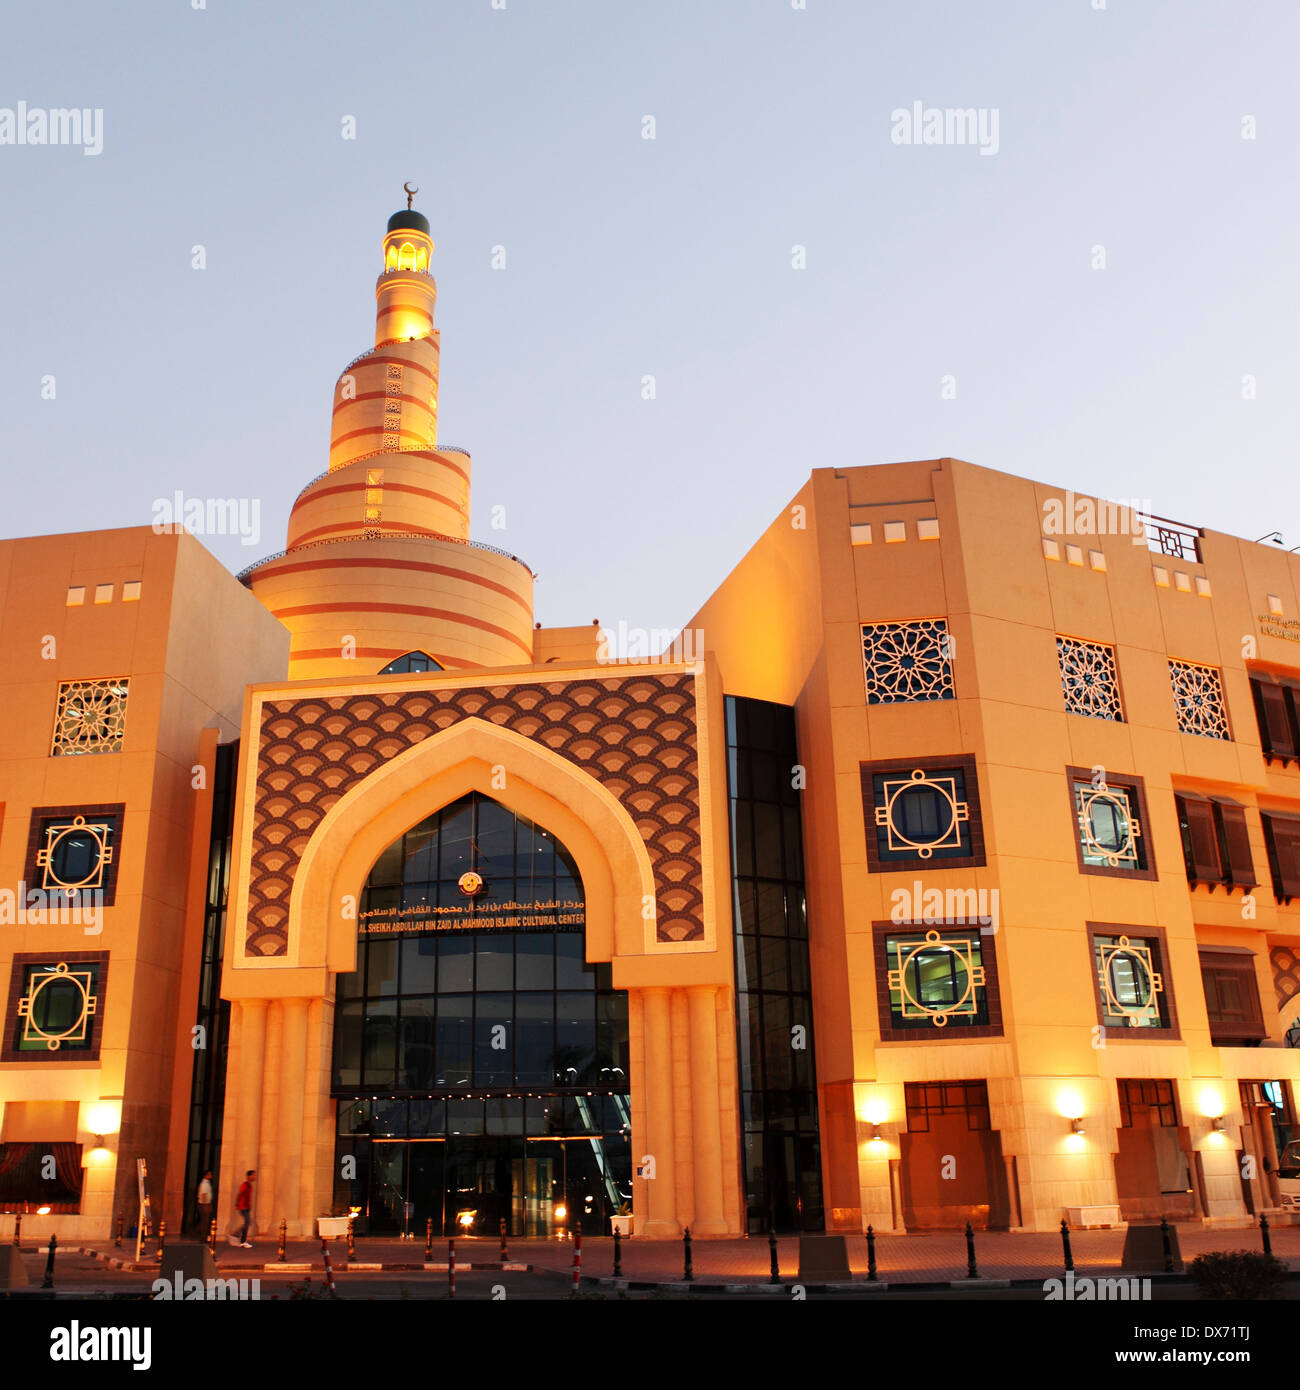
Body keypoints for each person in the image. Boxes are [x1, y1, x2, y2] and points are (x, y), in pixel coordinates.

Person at [229, 1170, 255, 1248]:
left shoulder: (249, 1185)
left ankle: (238, 1237)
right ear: (248, 1176)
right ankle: (240, 1238)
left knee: (247, 1222)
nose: (254, 1177)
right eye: (253, 1175)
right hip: (243, 1206)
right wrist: (237, 1203)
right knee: (247, 1222)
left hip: (246, 1206)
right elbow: (240, 1194)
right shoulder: (245, 1185)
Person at [196, 1171, 214, 1237]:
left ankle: (201, 1235)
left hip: (205, 1204)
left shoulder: (206, 1183)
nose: (211, 1175)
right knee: (204, 1222)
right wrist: (205, 1205)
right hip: (204, 1204)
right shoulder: (204, 1184)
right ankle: (202, 1236)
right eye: (209, 1174)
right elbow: (203, 1194)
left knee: (204, 1221)